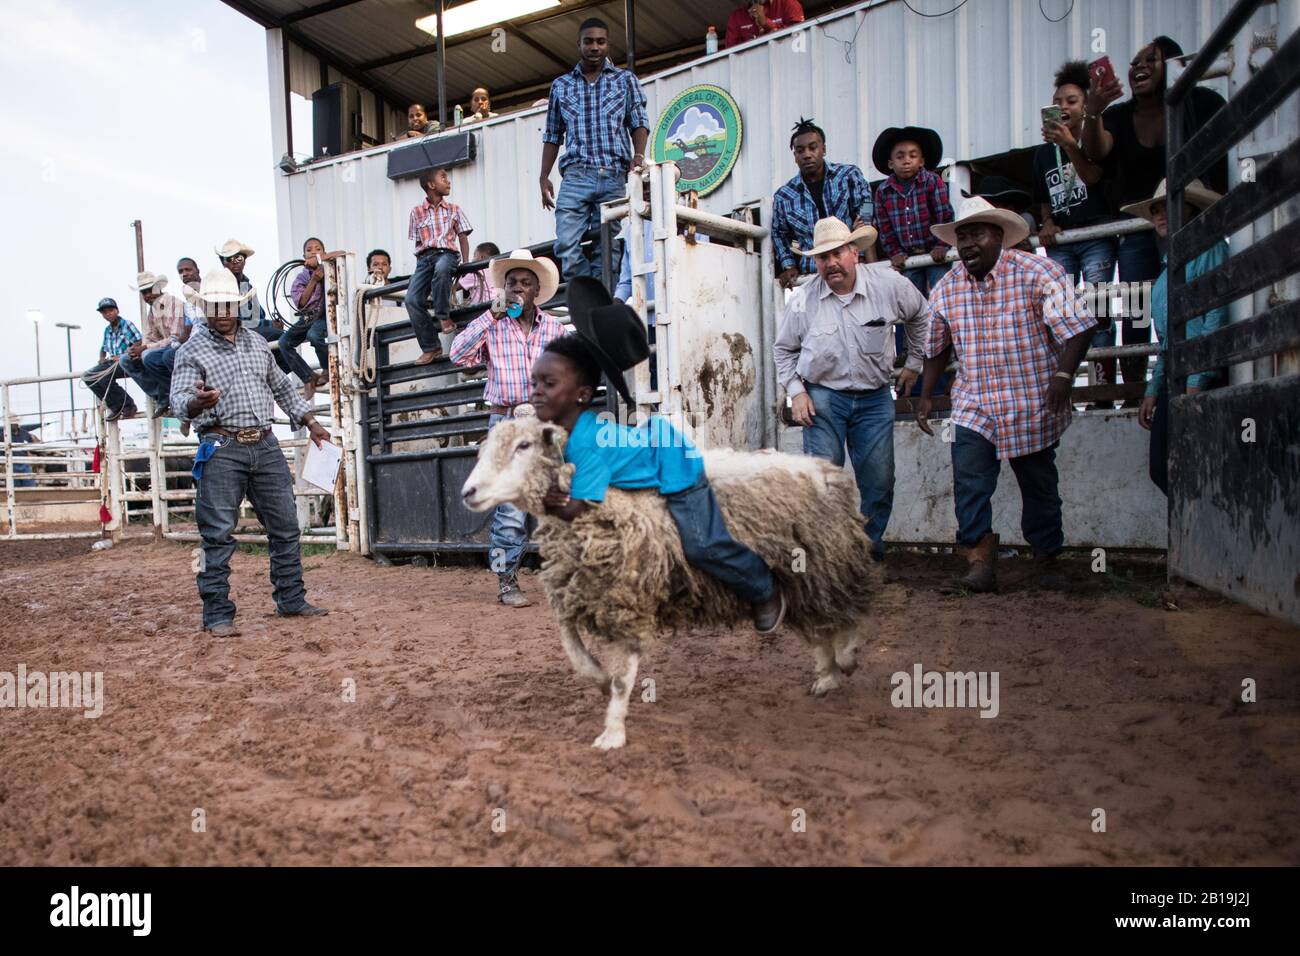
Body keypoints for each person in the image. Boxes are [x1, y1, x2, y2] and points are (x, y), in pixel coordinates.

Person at [532, 277, 786, 633]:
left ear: (582, 395)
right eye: (535, 383)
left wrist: (549, 504)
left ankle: (764, 588)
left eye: (549, 384)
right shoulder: (572, 432)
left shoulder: (586, 444)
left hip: (674, 465)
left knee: (701, 545)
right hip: (650, 443)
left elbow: (577, 508)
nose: (537, 392)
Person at [915, 197, 1096, 594]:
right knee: (969, 482)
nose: (967, 245)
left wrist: (1064, 375)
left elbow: (1079, 326)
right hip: (975, 402)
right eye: (962, 237)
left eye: (976, 234)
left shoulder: (1038, 271)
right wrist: (926, 394)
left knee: (1039, 483)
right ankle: (979, 564)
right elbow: (936, 346)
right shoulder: (947, 286)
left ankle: (1047, 560)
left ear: (999, 236)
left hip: (1031, 398)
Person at [170, 268, 331, 637]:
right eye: (216, 305)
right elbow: (178, 401)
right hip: (221, 444)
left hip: (264, 442)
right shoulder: (191, 350)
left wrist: (311, 421)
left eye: (228, 304)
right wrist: (197, 402)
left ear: (236, 305)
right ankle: (217, 613)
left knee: (286, 526)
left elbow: (282, 388)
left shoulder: (257, 344)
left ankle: (291, 598)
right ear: (206, 308)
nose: (223, 311)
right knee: (218, 533)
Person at [773, 218, 927, 562]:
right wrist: (796, 391)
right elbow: (783, 349)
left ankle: (868, 550)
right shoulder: (803, 299)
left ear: (854, 253)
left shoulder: (889, 285)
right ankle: (829, 555)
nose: (831, 263)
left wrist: (914, 363)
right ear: (815, 262)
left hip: (874, 396)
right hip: (823, 396)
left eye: (837, 253)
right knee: (823, 482)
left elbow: (920, 315)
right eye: (822, 257)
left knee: (879, 480)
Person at [1082, 36, 1228, 395]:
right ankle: (1137, 387)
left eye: (1151, 59)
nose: (1139, 66)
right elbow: (1094, 152)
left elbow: (1227, 151)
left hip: (1190, 219)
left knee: (1195, 299)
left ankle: (1196, 376)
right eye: (1133, 62)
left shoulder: (1202, 103)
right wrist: (1093, 110)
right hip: (1138, 226)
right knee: (1138, 304)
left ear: (1175, 66)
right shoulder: (1116, 115)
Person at [449, 250, 567, 607]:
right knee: (510, 511)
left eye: (524, 283)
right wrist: (490, 314)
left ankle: (571, 577)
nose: (517, 288)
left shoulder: (555, 328)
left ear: (535, 290)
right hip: (506, 422)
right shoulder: (493, 324)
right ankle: (506, 580)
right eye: (512, 282)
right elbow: (458, 354)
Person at [1122, 179, 1227, 495]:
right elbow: (1167, 340)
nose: (1160, 216)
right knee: (1164, 468)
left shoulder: (1212, 250)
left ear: (1192, 210)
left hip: (1203, 378)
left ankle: (1203, 538)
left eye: (1169, 206)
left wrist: (1198, 379)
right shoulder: (1165, 276)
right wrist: (1154, 389)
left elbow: (1216, 314)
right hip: (1177, 378)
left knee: (1198, 463)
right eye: (1155, 210)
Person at [540, 17, 649, 282]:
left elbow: (639, 122)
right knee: (566, 244)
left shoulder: (625, 80)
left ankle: (602, 306)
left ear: (607, 44)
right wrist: (543, 176)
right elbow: (553, 134)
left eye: (600, 41)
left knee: (608, 251)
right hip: (576, 176)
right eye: (588, 41)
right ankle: (590, 292)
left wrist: (638, 156)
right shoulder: (562, 86)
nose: (595, 47)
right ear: (579, 44)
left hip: (612, 174)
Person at [1035, 60, 1118, 401]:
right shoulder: (1042, 153)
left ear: (1086, 106)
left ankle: (1101, 392)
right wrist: (1047, 221)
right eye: (1058, 102)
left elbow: (1095, 177)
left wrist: (1070, 143)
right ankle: (1063, 388)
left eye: (1071, 101)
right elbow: (1042, 198)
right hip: (1062, 242)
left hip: (1095, 236)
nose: (1063, 107)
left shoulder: (1092, 142)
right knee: (1061, 316)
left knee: (1097, 314)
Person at [771, 117, 875, 288]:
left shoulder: (849, 175)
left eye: (813, 148)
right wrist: (789, 264)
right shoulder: (784, 196)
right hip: (813, 275)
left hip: (853, 266)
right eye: (800, 150)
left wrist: (864, 233)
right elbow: (778, 233)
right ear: (794, 155)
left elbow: (866, 208)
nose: (807, 154)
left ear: (823, 149)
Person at [872, 125, 953, 297]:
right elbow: (885, 228)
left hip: (935, 253)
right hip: (907, 258)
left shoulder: (933, 182)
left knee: (942, 294)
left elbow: (944, 215)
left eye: (913, 155)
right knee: (910, 301)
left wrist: (941, 245)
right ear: (890, 163)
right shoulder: (883, 192)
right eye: (900, 157)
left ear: (922, 161)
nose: (907, 160)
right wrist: (895, 252)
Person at [405, 167, 473, 365]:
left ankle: (443, 315)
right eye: (443, 177)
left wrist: (466, 263)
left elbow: (462, 236)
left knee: (442, 269)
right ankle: (431, 347)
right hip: (425, 259)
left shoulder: (454, 209)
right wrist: (420, 276)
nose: (448, 181)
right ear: (431, 185)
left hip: (447, 254)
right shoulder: (416, 212)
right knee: (411, 299)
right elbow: (418, 244)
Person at [215, 238, 291, 375]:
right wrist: (269, 325)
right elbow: (232, 321)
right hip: (233, 335)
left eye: (238, 258)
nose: (235, 263)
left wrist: (270, 323)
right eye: (229, 259)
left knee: (286, 344)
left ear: (244, 261)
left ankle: (266, 378)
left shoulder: (247, 285)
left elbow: (257, 316)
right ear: (223, 263)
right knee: (284, 338)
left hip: (251, 332)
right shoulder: (220, 287)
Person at [280, 237, 344, 397]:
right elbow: (301, 303)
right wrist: (314, 280)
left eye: (318, 249)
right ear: (304, 257)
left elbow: (342, 253)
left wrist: (319, 260)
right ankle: (308, 377)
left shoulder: (332, 268)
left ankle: (327, 368)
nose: (313, 251)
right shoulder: (301, 278)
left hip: (325, 316)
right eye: (309, 250)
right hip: (308, 317)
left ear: (324, 253)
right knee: (284, 343)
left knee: (314, 336)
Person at [123, 271, 189, 415]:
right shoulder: (152, 310)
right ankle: (161, 394)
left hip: (179, 346)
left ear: (158, 287)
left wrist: (145, 348)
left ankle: (171, 395)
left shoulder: (174, 303)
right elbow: (149, 335)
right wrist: (138, 349)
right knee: (126, 360)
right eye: (143, 292)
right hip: (162, 348)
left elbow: (175, 338)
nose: (147, 296)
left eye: (149, 291)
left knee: (149, 357)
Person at [82, 297, 142, 422]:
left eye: (110, 310)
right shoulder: (107, 330)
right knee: (88, 376)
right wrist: (101, 359)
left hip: (128, 360)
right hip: (112, 362)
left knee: (103, 377)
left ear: (117, 311)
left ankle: (128, 405)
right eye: (105, 312)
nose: (108, 314)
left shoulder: (126, 325)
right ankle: (115, 406)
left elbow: (139, 341)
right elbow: (103, 348)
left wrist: (124, 355)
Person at [724, 0, 805, 47]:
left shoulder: (789, 4)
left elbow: (799, 40)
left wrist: (766, 23)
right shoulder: (736, 16)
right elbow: (730, 52)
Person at [457, 241, 500, 305]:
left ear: (482, 257)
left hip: (482, 310)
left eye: (474, 256)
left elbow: (454, 288)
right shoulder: (499, 271)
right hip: (498, 308)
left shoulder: (476, 273)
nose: (472, 260)